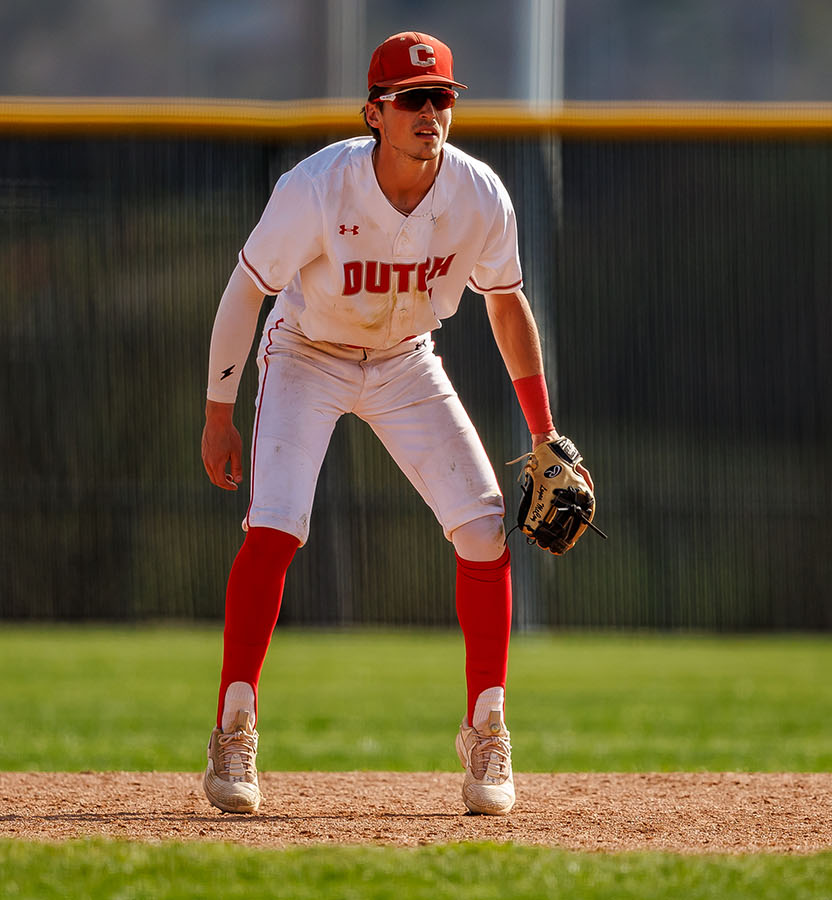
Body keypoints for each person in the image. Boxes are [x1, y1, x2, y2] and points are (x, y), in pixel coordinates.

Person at [200, 30, 581, 816]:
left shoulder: (478, 195)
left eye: (441, 97)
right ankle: (234, 727)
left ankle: (487, 731)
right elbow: (247, 291)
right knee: (276, 524)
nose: (429, 113)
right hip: (308, 351)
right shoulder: (318, 188)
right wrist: (219, 412)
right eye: (412, 100)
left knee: (481, 528)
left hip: (408, 358)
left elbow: (506, 305)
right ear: (375, 111)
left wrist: (543, 433)